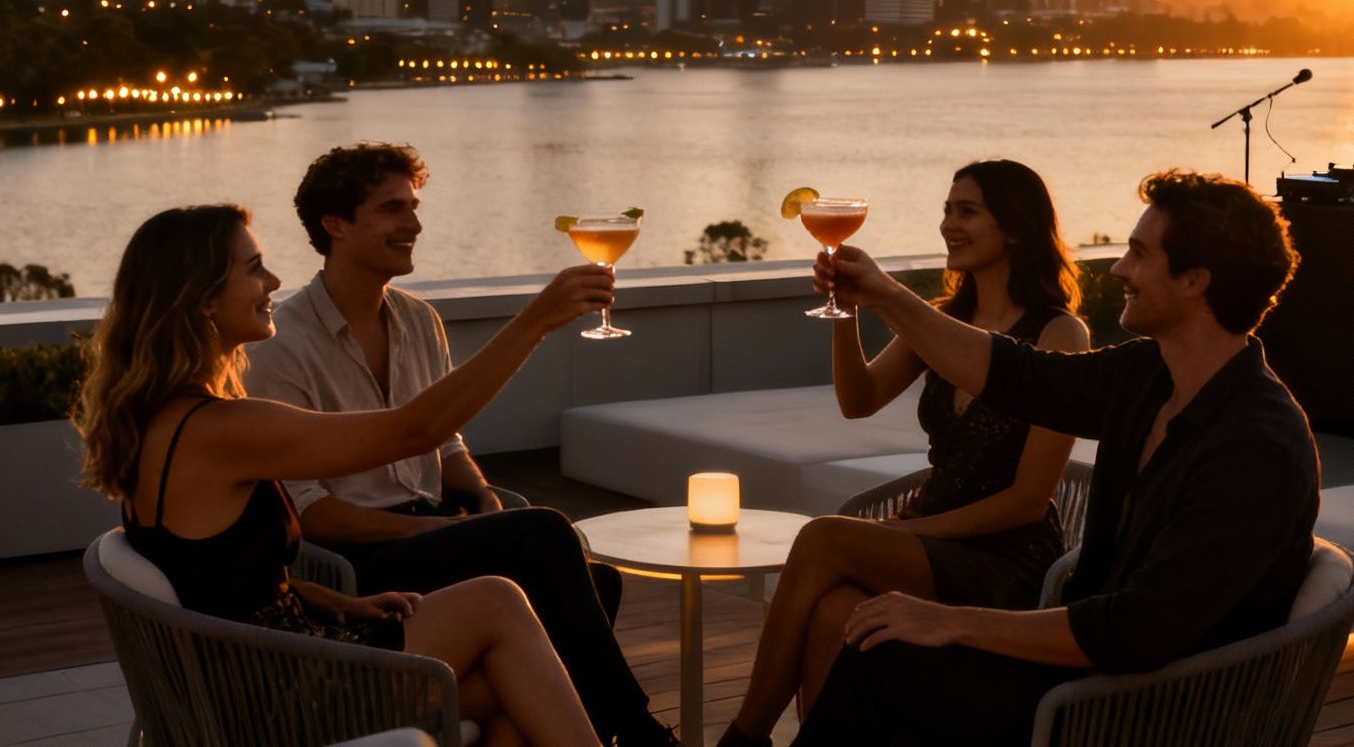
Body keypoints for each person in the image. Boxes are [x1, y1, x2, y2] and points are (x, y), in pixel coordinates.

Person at [789, 171, 1319, 747]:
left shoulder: (1255, 445)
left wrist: (952, 621)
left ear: (1195, 281)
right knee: (874, 650)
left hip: (1153, 708)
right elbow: (1020, 377)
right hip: (1091, 674)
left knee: (885, 667)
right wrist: (883, 295)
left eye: (1138, 254)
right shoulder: (1148, 375)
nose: (1118, 270)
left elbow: (1136, 629)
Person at [74, 204, 611, 747]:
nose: (273, 281)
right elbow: (413, 431)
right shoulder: (218, 430)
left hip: (251, 676)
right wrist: (536, 321)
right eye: (254, 268)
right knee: (496, 600)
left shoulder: (160, 419)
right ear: (202, 298)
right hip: (278, 697)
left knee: (513, 699)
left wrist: (325, 598)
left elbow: (207, 578)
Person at [242, 143, 677, 747]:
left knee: (596, 580)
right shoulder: (280, 345)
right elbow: (310, 513)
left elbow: (444, 442)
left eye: (414, 207)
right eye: (392, 209)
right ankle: (635, 731)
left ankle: (572, 729)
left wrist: (477, 493)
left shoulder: (419, 320)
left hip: (433, 530)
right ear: (335, 224)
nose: (414, 225)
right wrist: (435, 531)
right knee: (544, 533)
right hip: (355, 561)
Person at [718, 160, 1090, 747]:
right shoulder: (945, 322)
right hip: (926, 541)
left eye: (967, 212)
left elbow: (1027, 500)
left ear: (1015, 228)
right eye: (947, 210)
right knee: (835, 610)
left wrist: (911, 531)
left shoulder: (1059, 334)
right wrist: (845, 311)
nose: (948, 225)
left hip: (1006, 561)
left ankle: (743, 740)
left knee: (823, 537)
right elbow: (858, 400)